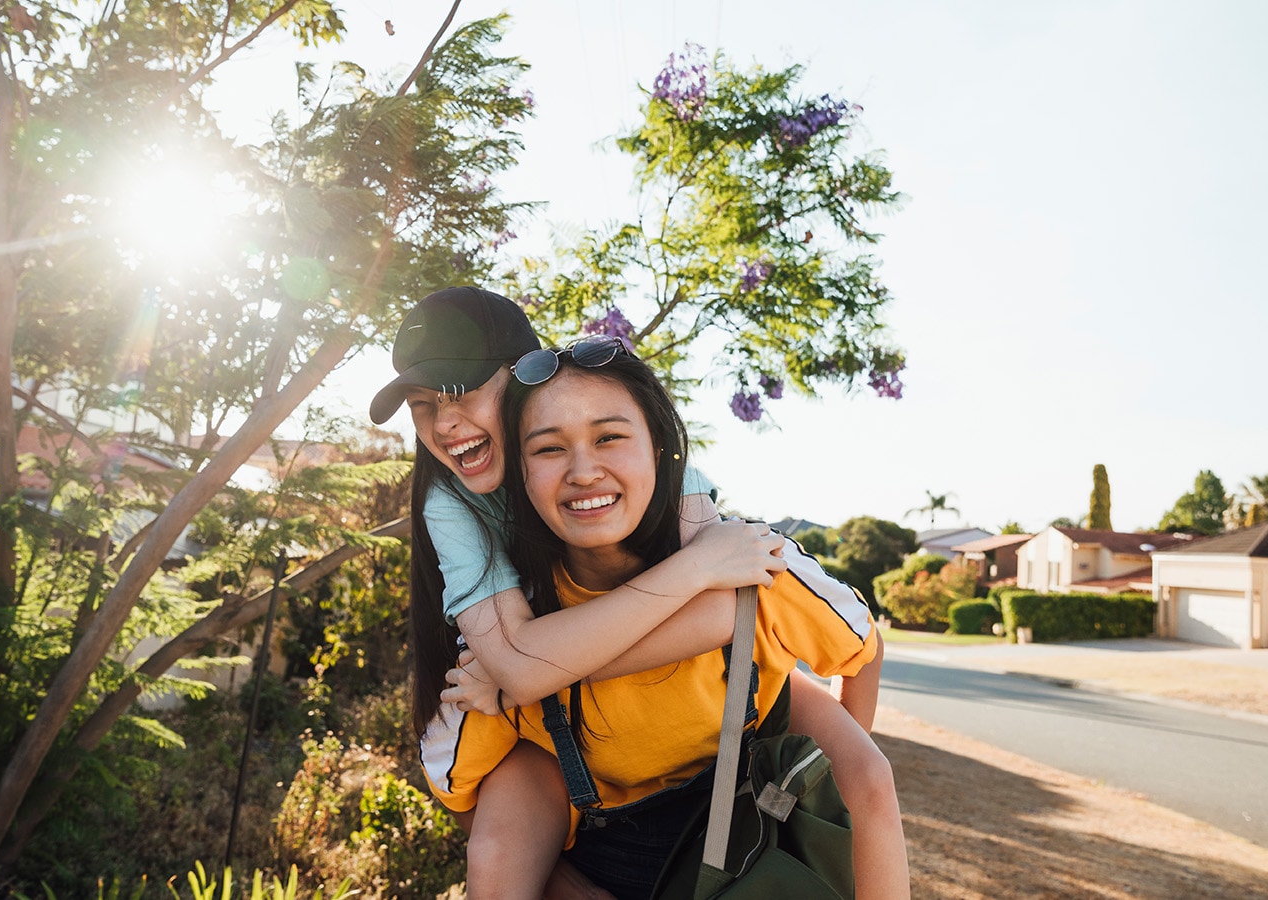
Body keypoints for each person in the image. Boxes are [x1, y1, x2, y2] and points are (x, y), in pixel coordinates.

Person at [370, 287, 907, 897]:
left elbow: (732, 611)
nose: (443, 423)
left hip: (727, 702)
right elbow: (467, 757)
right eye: (421, 405)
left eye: (459, 393)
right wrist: (519, 674)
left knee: (866, 777)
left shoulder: (659, 477)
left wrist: (532, 671)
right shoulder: (452, 499)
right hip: (569, 753)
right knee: (498, 853)